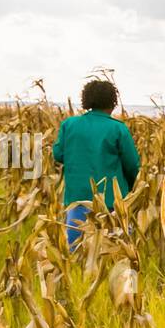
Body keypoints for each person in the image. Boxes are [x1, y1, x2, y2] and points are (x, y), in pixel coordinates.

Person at [50, 79, 140, 251]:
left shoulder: (69, 125)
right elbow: (132, 165)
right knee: (117, 252)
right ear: (112, 102)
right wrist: (130, 188)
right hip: (112, 202)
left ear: (87, 100)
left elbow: (58, 154)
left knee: (76, 252)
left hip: (77, 199)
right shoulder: (118, 129)